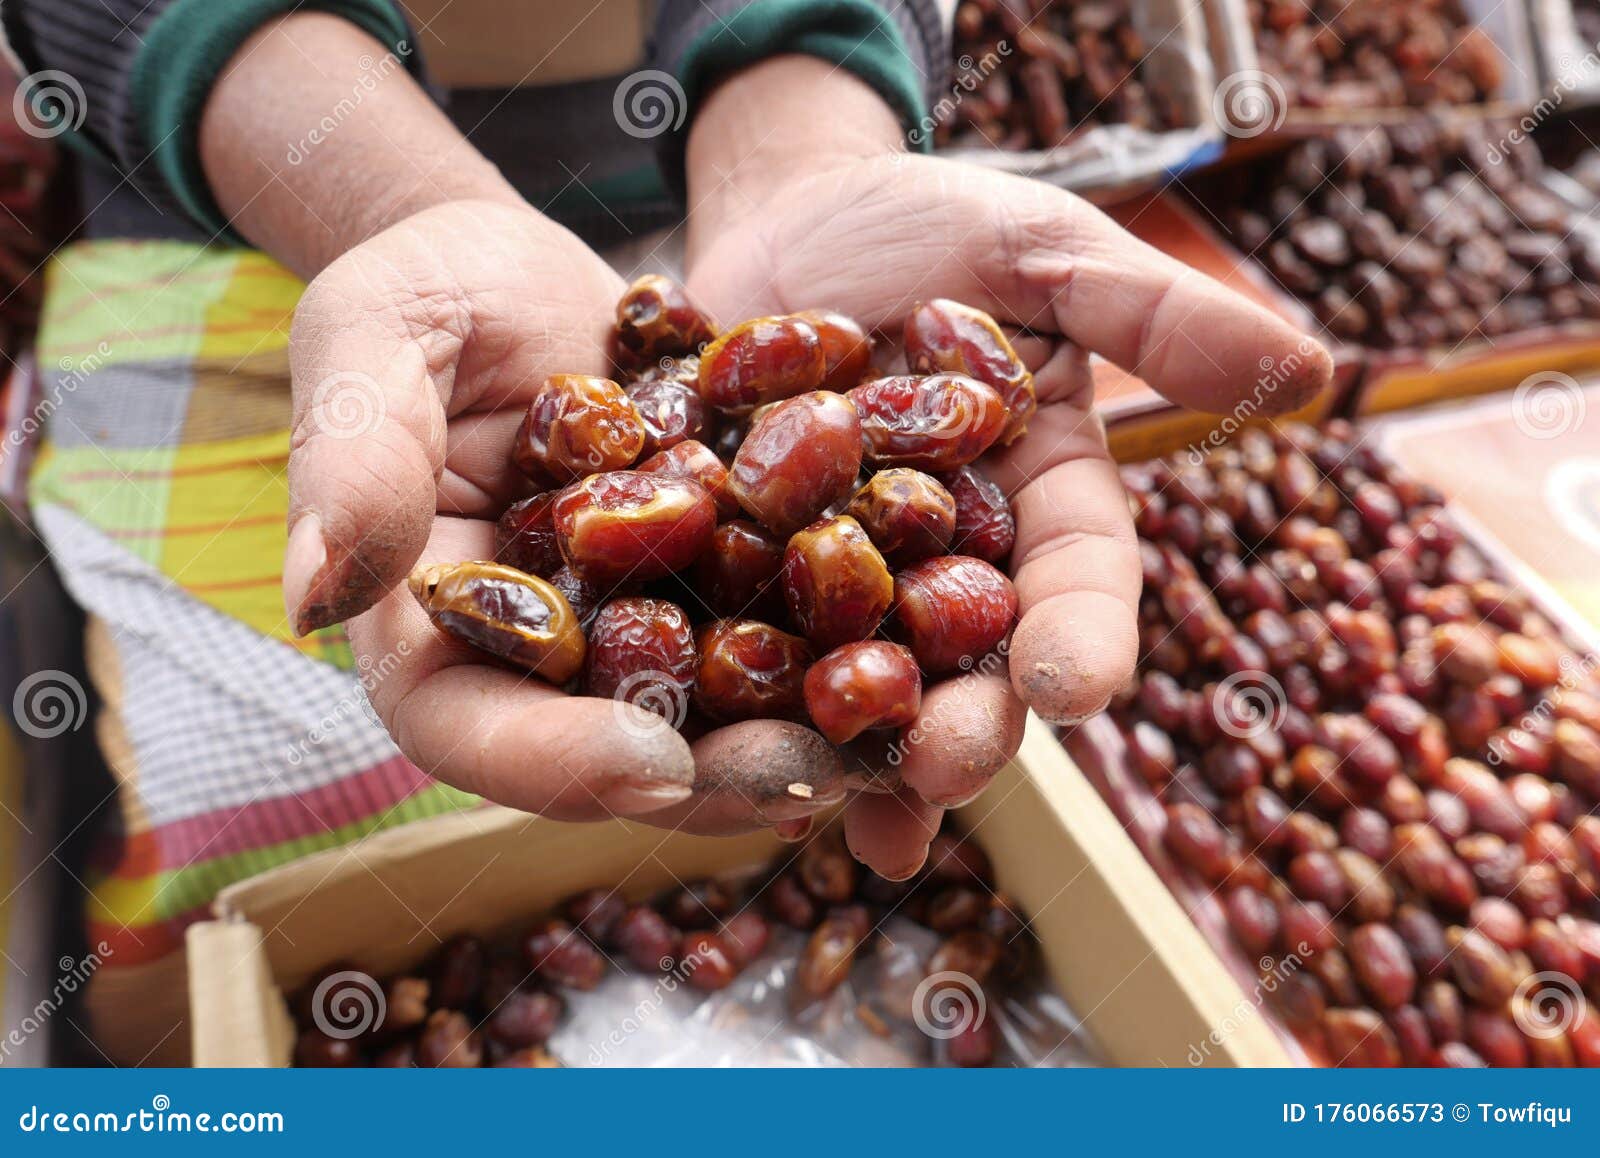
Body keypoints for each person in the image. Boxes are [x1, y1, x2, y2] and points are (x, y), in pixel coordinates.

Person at [0, 0, 1330, 1060]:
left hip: (676, 259)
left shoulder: (764, 469)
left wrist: (805, 146)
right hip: (255, 258)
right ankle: (139, 1051)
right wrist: (396, 204)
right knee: (228, 817)